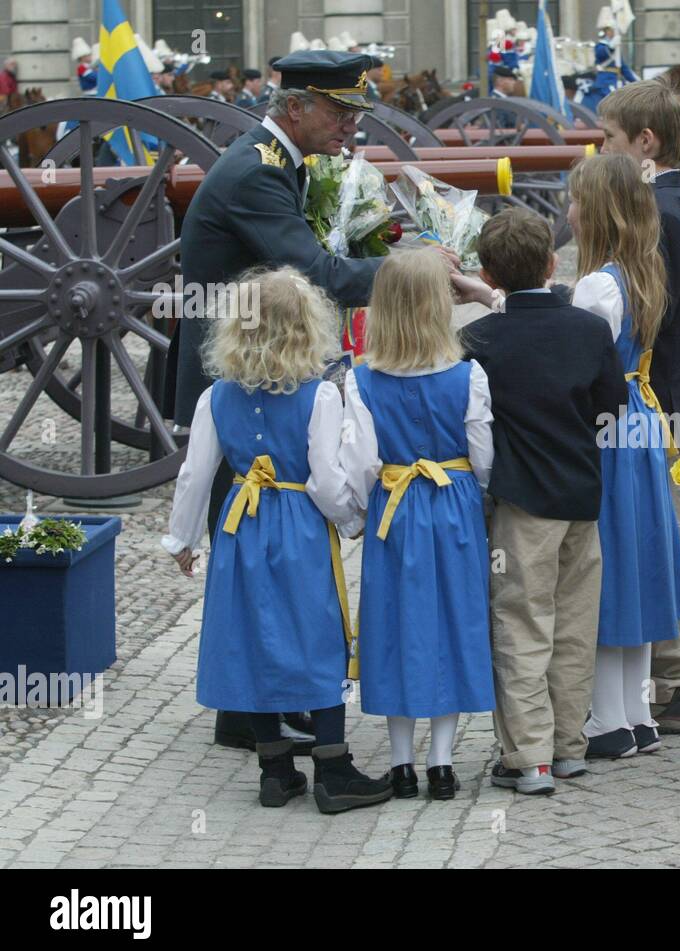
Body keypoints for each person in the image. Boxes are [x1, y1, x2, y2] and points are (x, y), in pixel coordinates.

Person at [168, 50, 387, 756]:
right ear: (295, 108)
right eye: (340, 110)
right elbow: (315, 275)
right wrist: (405, 274)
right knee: (250, 544)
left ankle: (250, 704)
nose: (351, 124)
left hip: (253, 366)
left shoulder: (271, 156)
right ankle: (249, 706)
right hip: (243, 378)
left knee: (250, 546)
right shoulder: (259, 170)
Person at [161, 267, 391, 814]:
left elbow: (194, 474)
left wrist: (183, 539)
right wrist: (350, 520)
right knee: (318, 633)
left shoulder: (215, 397)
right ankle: (333, 770)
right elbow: (327, 480)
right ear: (307, 329)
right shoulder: (320, 397)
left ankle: (275, 769)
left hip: (241, 528)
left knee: (251, 635)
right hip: (301, 531)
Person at [458, 208, 627, 793]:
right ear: (554, 263)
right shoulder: (589, 329)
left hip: (521, 501)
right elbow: (613, 404)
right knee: (576, 626)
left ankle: (526, 756)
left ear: (489, 273)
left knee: (522, 625)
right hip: (581, 494)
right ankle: (568, 746)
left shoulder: (478, 339)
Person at [340, 249, 496, 802]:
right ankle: (442, 762)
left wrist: (357, 516)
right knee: (455, 622)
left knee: (393, 625)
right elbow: (483, 457)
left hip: (394, 511)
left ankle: (401, 763)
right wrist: (471, 498)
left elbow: (357, 464)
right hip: (451, 507)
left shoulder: (361, 381)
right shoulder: (468, 375)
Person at [565, 153, 680, 761]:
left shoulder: (595, 284)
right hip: (642, 419)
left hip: (607, 423)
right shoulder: (642, 270)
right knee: (637, 561)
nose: (566, 211)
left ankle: (607, 720)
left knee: (605, 566)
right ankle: (636, 714)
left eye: (573, 201)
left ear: (595, 213)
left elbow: (574, 360)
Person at [599, 80, 680, 733]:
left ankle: (673, 678)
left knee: (670, 534)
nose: (601, 150)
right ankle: (669, 673)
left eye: (610, 140)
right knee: (669, 531)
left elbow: (644, 317)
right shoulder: (672, 203)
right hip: (676, 396)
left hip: (663, 400)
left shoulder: (660, 213)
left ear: (645, 143)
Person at [581, 7, 638, 112]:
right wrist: (611, 46)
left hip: (615, 79)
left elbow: (623, 68)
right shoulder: (602, 45)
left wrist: (636, 81)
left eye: (612, 30)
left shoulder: (615, 50)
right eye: (610, 30)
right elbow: (601, 54)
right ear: (606, 31)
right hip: (604, 80)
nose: (611, 32)